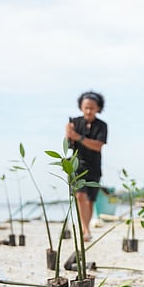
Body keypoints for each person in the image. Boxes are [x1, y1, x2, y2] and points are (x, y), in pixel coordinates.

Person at [64, 91, 108, 241]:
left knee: (90, 199)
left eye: (92, 108)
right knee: (79, 195)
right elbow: (70, 145)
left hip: (94, 166)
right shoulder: (74, 123)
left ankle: (86, 227)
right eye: (86, 107)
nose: (88, 111)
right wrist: (68, 134)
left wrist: (79, 137)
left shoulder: (102, 126)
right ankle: (85, 229)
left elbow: (97, 146)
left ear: (98, 108)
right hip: (77, 164)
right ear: (81, 107)